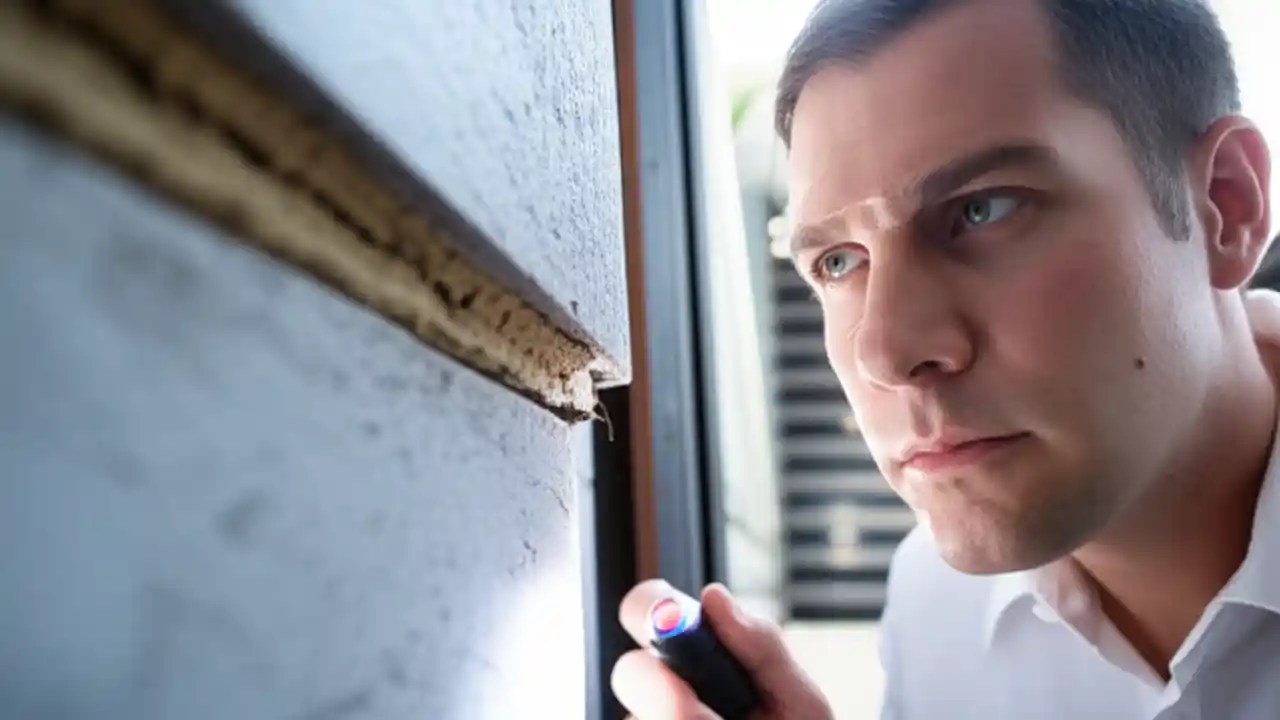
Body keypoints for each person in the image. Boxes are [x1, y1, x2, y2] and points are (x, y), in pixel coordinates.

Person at [611, 0, 1280, 717]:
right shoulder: (936, 609)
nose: (884, 350)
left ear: (1226, 205)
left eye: (981, 209)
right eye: (838, 262)